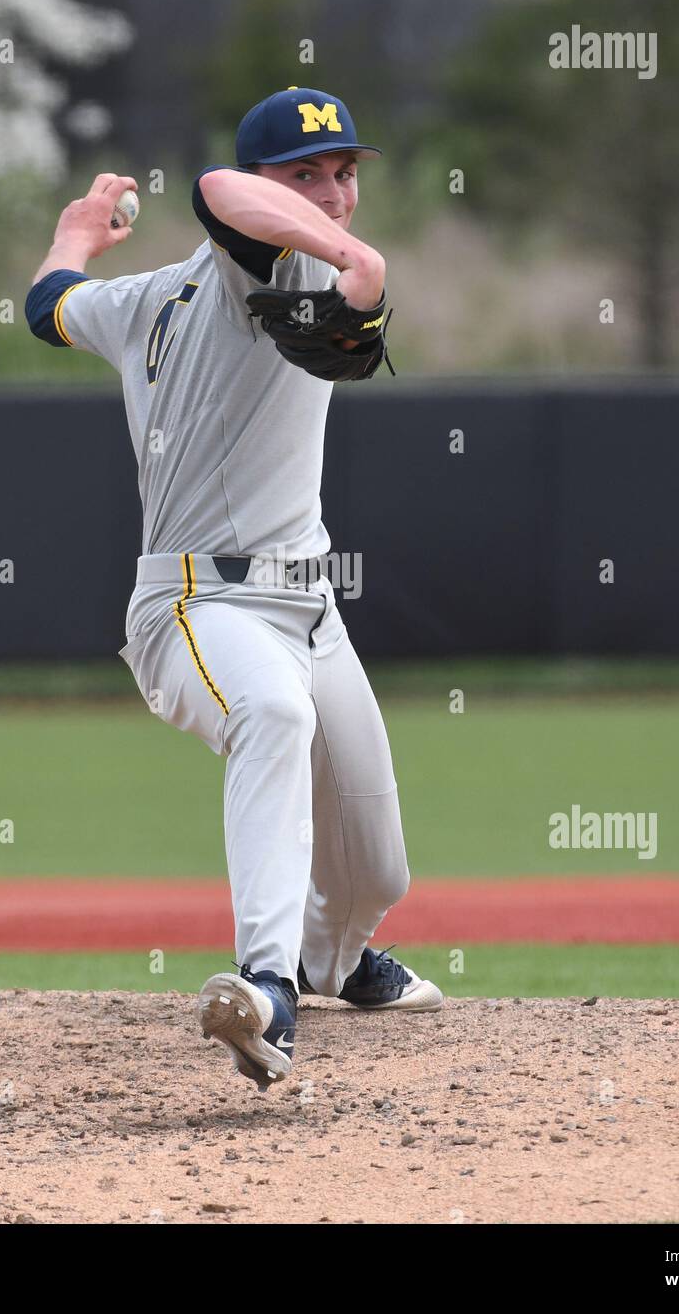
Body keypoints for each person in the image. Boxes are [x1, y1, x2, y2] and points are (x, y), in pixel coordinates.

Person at [26, 87, 442, 1093]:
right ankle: (266, 988)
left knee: (377, 870)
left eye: (347, 172)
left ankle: (328, 962)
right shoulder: (280, 259)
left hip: (310, 608)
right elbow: (218, 189)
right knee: (269, 713)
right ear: (268, 191)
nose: (337, 193)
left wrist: (71, 239)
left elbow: (50, 310)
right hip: (196, 606)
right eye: (310, 174)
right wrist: (355, 259)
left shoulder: (136, 299)